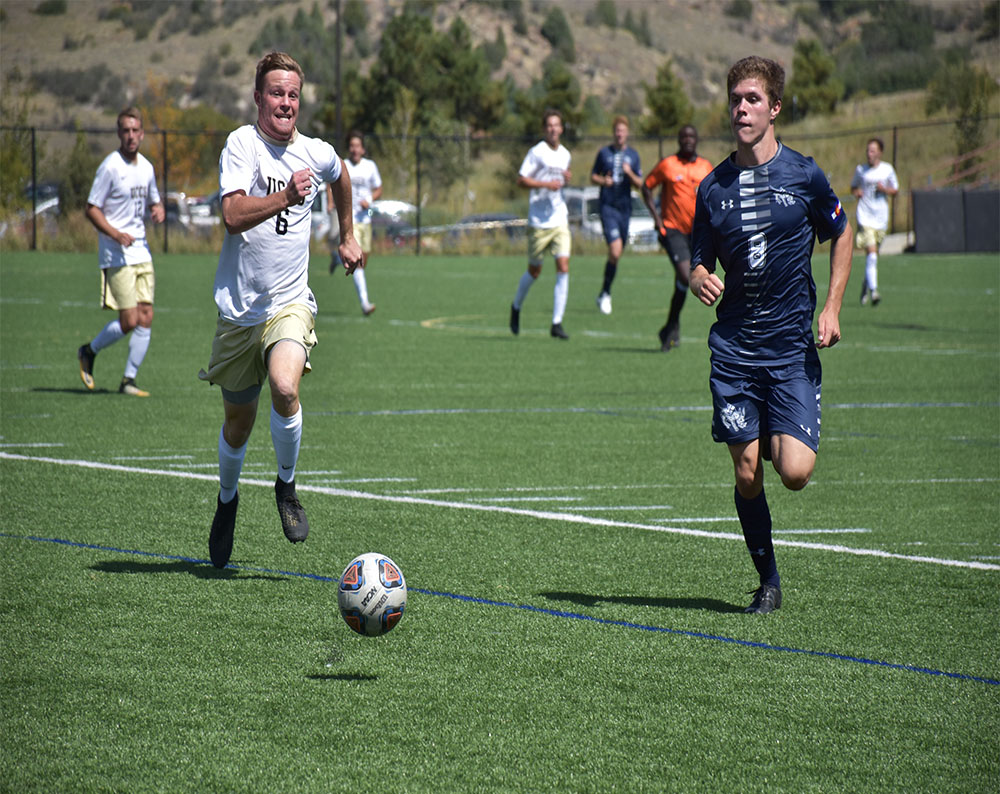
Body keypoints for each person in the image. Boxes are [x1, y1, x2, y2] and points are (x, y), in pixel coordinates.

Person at [689, 56, 852, 614]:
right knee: (746, 469)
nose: (741, 107)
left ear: (775, 108)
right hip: (734, 349)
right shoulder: (712, 188)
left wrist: (830, 307)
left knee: (796, 473)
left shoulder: (804, 175)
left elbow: (842, 232)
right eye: (735, 98)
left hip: (789, 350)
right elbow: (696, 261)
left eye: (753, 99)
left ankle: (782, 435)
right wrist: (699, 277)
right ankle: (769, 581)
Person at [198, 52, 363, 569]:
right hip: (239, 312)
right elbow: (230, 214)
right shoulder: (242, 145)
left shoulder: (315, 152)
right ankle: (227, 501)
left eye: (293, 94)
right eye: (276, 93)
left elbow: (341, 177)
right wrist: (286, 196)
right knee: (238, 424)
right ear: (257, 98)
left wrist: (348, 233)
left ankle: (286, 487)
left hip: (290, 303)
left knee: (286, 386)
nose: (286, 103)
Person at [77, 107, 165, 397]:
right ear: (119, 133)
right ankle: (89, 351)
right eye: (125, 130)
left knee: (147, 316)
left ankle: (128, 380)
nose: (130, 136)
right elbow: (92, 208)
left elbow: (154, 200)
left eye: (135, 130)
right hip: (116, 254)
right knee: (129, 321)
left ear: (141, 133)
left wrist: (158, 209)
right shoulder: (110, 166)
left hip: (142, 251)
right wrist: (115, 234)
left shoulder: (147, 168)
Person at [642, 124, 713, 351]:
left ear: (697, 140)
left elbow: (714, 196)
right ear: (679, 140)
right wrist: (657, 219)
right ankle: (671, 327)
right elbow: (646, 186)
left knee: (681, 284)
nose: (688, 140)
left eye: (692, 136)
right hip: (672, 231)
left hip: (697, 232)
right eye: (684, 137)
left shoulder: (705, 167)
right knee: (685, 276)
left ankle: (670, 328)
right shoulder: (667, 165)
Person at [509, 109, 573, 340]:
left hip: (559, 218)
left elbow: (560, 180)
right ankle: (516, 306)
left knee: (563, 266)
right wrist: (545, 185)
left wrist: (566, 179)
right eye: (549, 125)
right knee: (534, 271)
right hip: (539, 220)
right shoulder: (536, 152)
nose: (553, 129)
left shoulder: (565, 154)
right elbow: (521, 180)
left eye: (557, 125)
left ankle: (557, 323)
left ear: (562, 129)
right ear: (544, 129)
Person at [591, 115, 642, 315]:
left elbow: (640, 183)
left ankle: (603, 291)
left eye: (623, 130)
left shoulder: (633, 155)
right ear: (614, 133)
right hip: (608, 207)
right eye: (617, 131)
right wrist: (603, 181)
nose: (620, 134)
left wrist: (629, 173)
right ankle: (606, 294)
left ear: (627, 133)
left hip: (625, 209)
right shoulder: (604, 153)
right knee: (615, 250)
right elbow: (593, 176)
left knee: (617, 253)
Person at [328, 130, 381, 315]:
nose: (354, 149)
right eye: (351, 146)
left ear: (363, 149)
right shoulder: (343, 165)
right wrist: (330, 203)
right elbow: (330, 183)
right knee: (357, 264)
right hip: (350, 220)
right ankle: (365, 303)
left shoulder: (370, 166)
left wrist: (370, 200)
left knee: (363, 262)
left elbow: (378, 188)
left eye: (357, 146)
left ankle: (336, 258)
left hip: (365, 220)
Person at [851, 137, 898, 306]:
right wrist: (857, 192)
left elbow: (895, 190)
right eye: (867, 151)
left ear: (879, 152)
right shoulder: (861, 170)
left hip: (881, 218)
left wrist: (884, 189)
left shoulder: (887, 170)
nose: (869, 154)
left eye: (872, 151)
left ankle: (866, 284)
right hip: (865, 216)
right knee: (871, 254)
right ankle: (874, 291)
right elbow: (854, 186)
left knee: (873, 257)